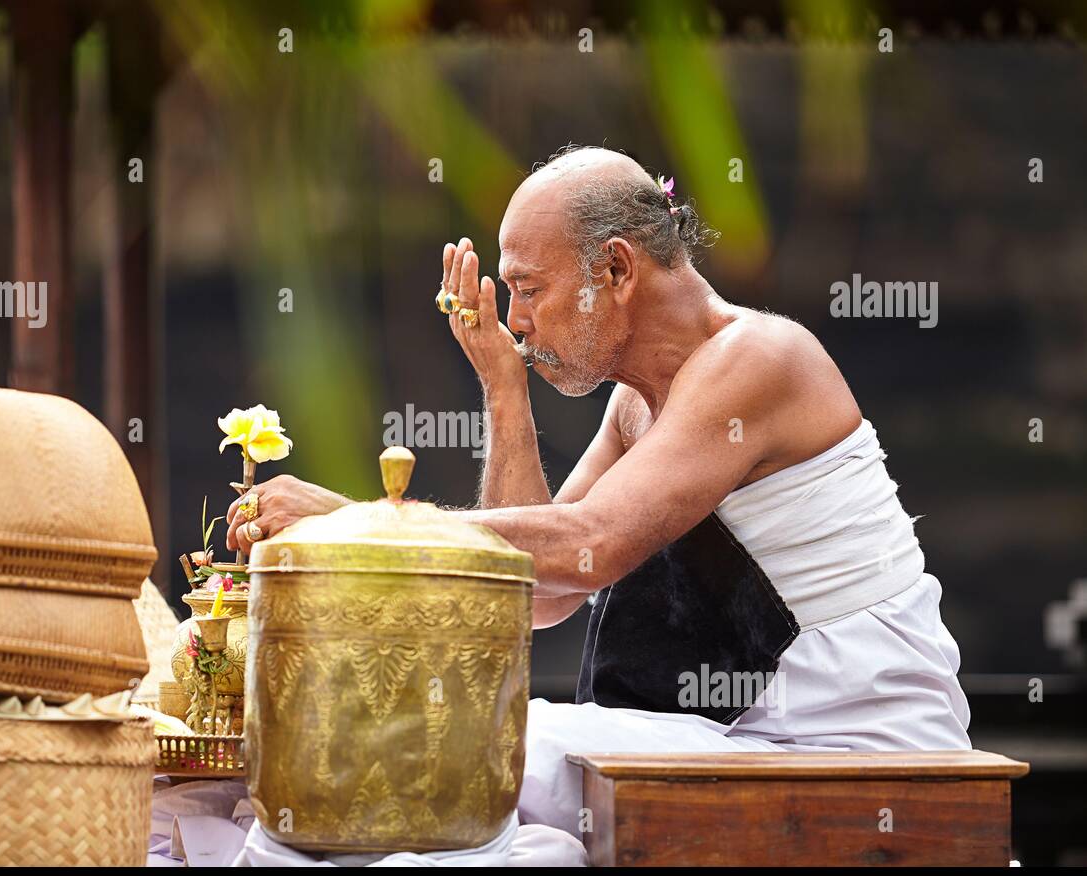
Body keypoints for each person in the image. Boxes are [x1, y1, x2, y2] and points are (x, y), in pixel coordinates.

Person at [224, 145, 971, 839]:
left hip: (853, 749)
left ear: (616, 270)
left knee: (460, 738)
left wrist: (357, 522)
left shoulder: (759, 357)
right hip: (749, 739)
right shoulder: (635, 405)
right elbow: (540, 596)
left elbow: (591, 543)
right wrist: (504, 390)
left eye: (529, 290)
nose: (516, 322)